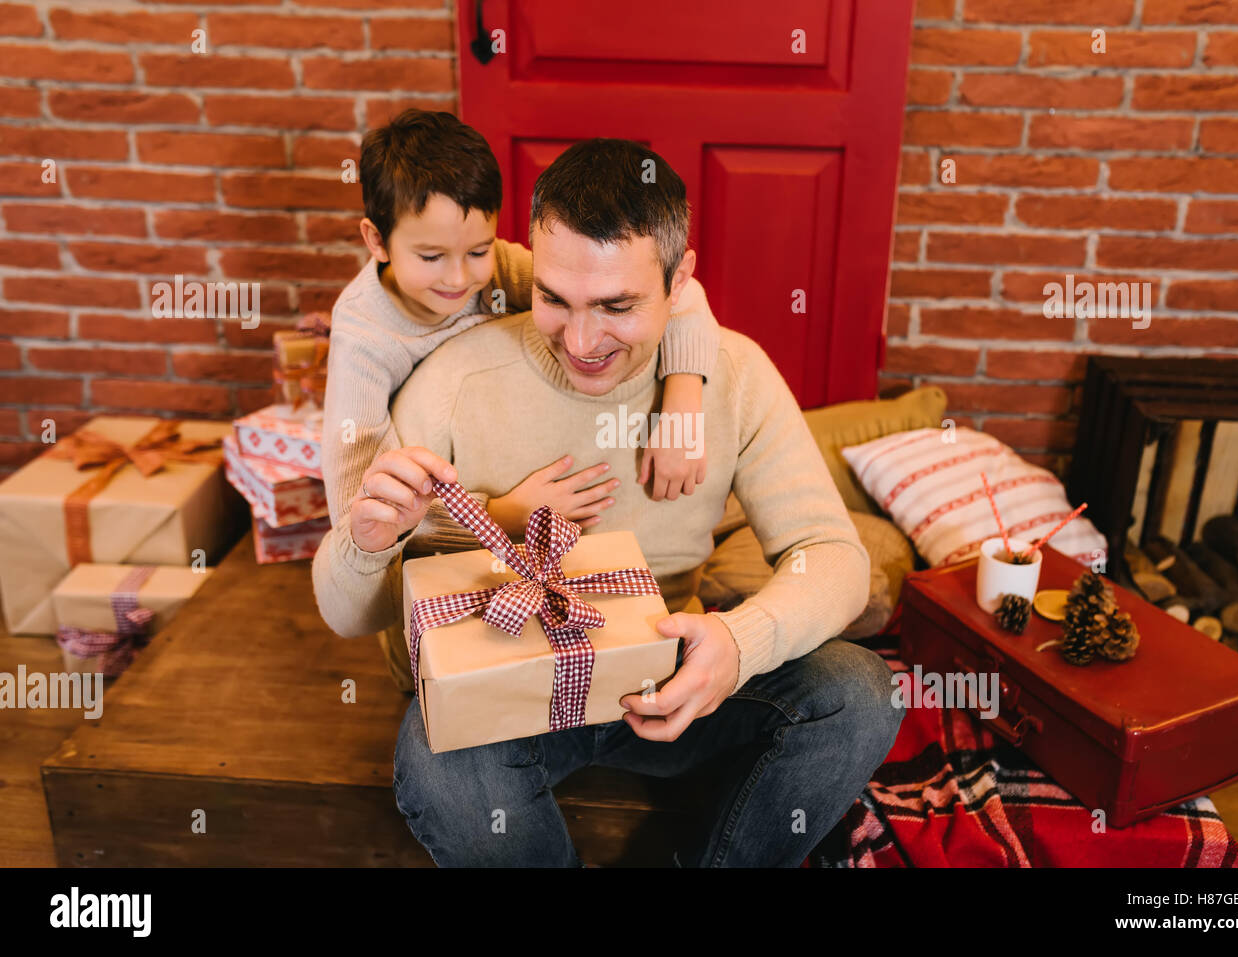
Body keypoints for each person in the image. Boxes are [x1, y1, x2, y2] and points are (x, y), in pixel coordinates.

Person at [312, 138, 903, 867]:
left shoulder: (733, 374)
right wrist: (369, 541)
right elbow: (346, 613)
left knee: (861, 692)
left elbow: (834, 555)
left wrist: (742, 641)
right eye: (554, 299)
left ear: (680, 280)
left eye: (617, 305)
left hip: (671, 678)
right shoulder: (452, 378)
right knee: (438, 766)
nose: (583, 340)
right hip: (506, 684)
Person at [322, 109, 721, 541]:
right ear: (376, 240)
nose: (459, 279)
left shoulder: (502, 270)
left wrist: (683, 406)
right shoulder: (361, 343)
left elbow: (679, 295)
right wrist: (501, 514)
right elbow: (361, 516)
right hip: (448, 502)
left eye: (477, 250)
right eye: (431, 257)